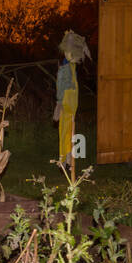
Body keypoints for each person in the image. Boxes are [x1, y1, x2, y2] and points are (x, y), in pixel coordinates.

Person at [54, 31, 89, 169]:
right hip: (67, 104)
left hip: (70, 104)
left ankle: (67, 160)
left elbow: (65, 85)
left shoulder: (70, 66)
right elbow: (61, 86)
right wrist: (59, 104)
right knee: (65, 132)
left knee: (68, 132)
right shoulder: (66, 67)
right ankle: (65, 160)